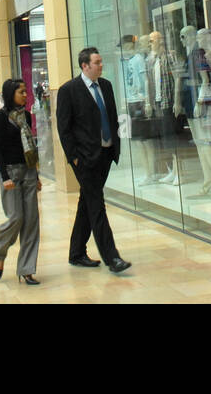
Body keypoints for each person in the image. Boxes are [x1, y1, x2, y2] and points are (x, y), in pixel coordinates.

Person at [56, 47, 131, 274]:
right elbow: (64, 128)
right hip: (84, 160)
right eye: (97, 62)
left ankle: (76, 252)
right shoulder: (69, 90)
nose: (101, 65)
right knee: (97, 205)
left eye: (100, 62)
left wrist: (115, 146)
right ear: (85, 66)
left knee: (87, 202)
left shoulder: (106, 86)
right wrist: (74, 158)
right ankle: (112, 258)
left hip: (105, 155)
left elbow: (112, 116)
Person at [0, 78, 42, 285]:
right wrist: (5, 177)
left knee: (31, 221)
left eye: (26, 91)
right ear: (11, 94)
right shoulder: (0, 117)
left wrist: (36, 176)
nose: (25, 95)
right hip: (10, 172)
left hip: (28, 171)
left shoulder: (26, 115)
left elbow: (29, 148)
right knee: (16, 217)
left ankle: (27, 269)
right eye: (21, 92)